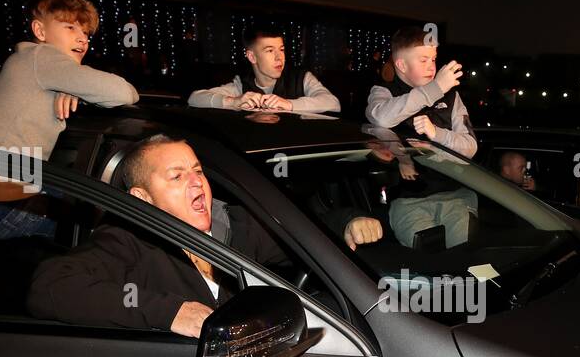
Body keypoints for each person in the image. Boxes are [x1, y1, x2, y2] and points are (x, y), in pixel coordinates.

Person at [27, 135, 381, 336]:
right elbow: (49, 286)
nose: (196, 181)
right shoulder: (128, 241)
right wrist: (171, 312)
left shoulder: (233, 225)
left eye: (197, 171)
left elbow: (302, 235)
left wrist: (346, 222)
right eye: (177, 176)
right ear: (142, 199)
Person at [0, 0, 139, 239]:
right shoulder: (42, 57)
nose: (82, 39)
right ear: (41, 31)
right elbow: (125, 93)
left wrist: (73, 88)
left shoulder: (28, 62)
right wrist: (76, 85)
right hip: (5, 206)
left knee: (91, 202)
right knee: (111, 229)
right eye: (70, 27)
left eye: (86, 33)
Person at [365, 27, 478, 247]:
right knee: (426, 264)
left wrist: (437, 134)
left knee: (466, 261)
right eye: (423, 60)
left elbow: (470, 147)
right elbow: (381, 119)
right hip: (409, 201)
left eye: (434, 59)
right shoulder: (383, 92)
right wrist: (434, 89)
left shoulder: (452, 96)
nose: (432, 66)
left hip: (456, 196)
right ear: (402, 65)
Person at [187, 26, 340, 113]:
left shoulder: (301, 78)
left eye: (281, 49)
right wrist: (233, 102)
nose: (279, 57)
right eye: (270, 50)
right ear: (252, 57)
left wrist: (289, 104)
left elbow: (333, 103)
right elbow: (195, 98)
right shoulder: (241, 84)